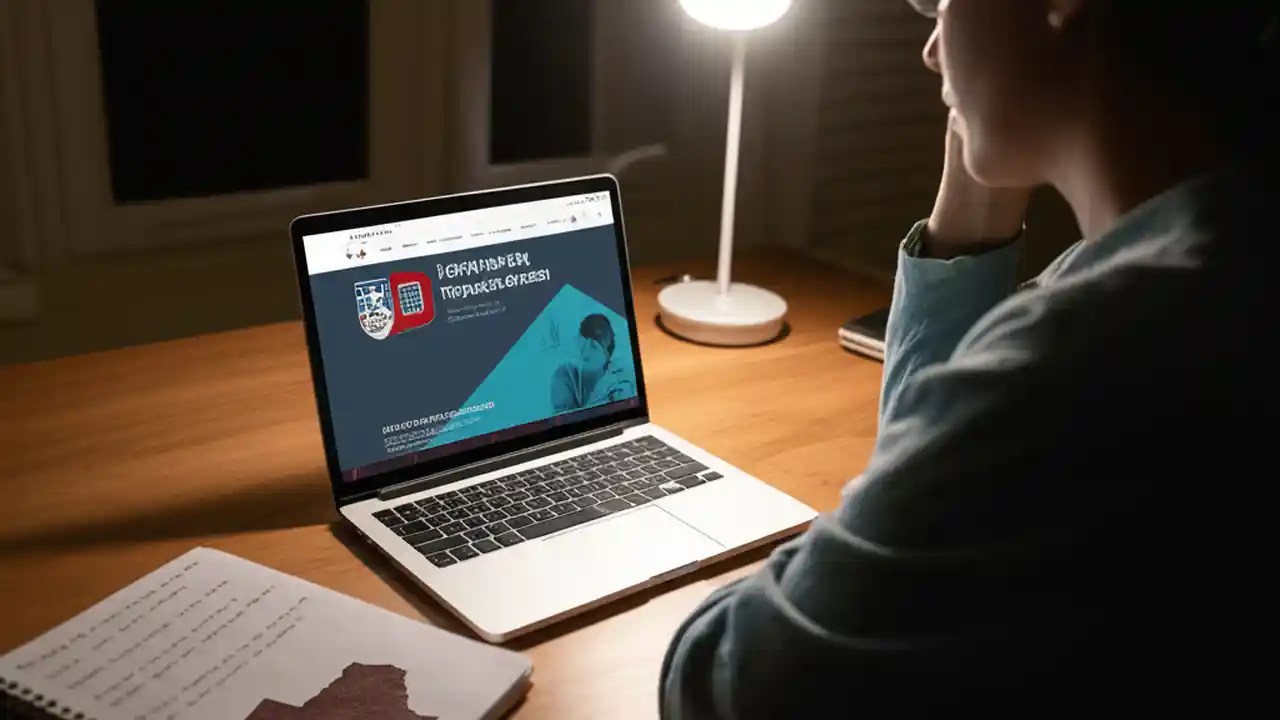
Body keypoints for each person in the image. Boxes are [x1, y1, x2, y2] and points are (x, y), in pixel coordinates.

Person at [660, 0, 1277, 716]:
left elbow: (728, 683)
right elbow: (924, 454)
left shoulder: (1095, 357)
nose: (930, 52)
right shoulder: (1183, 262)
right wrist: (981, 172)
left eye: (943, 5)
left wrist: (786, 572)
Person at [550, 313, 634, 412]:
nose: (585, 352)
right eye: (582, 343)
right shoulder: (565, 375)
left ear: (606, 354)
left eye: (593, 347)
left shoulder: (620, 380)